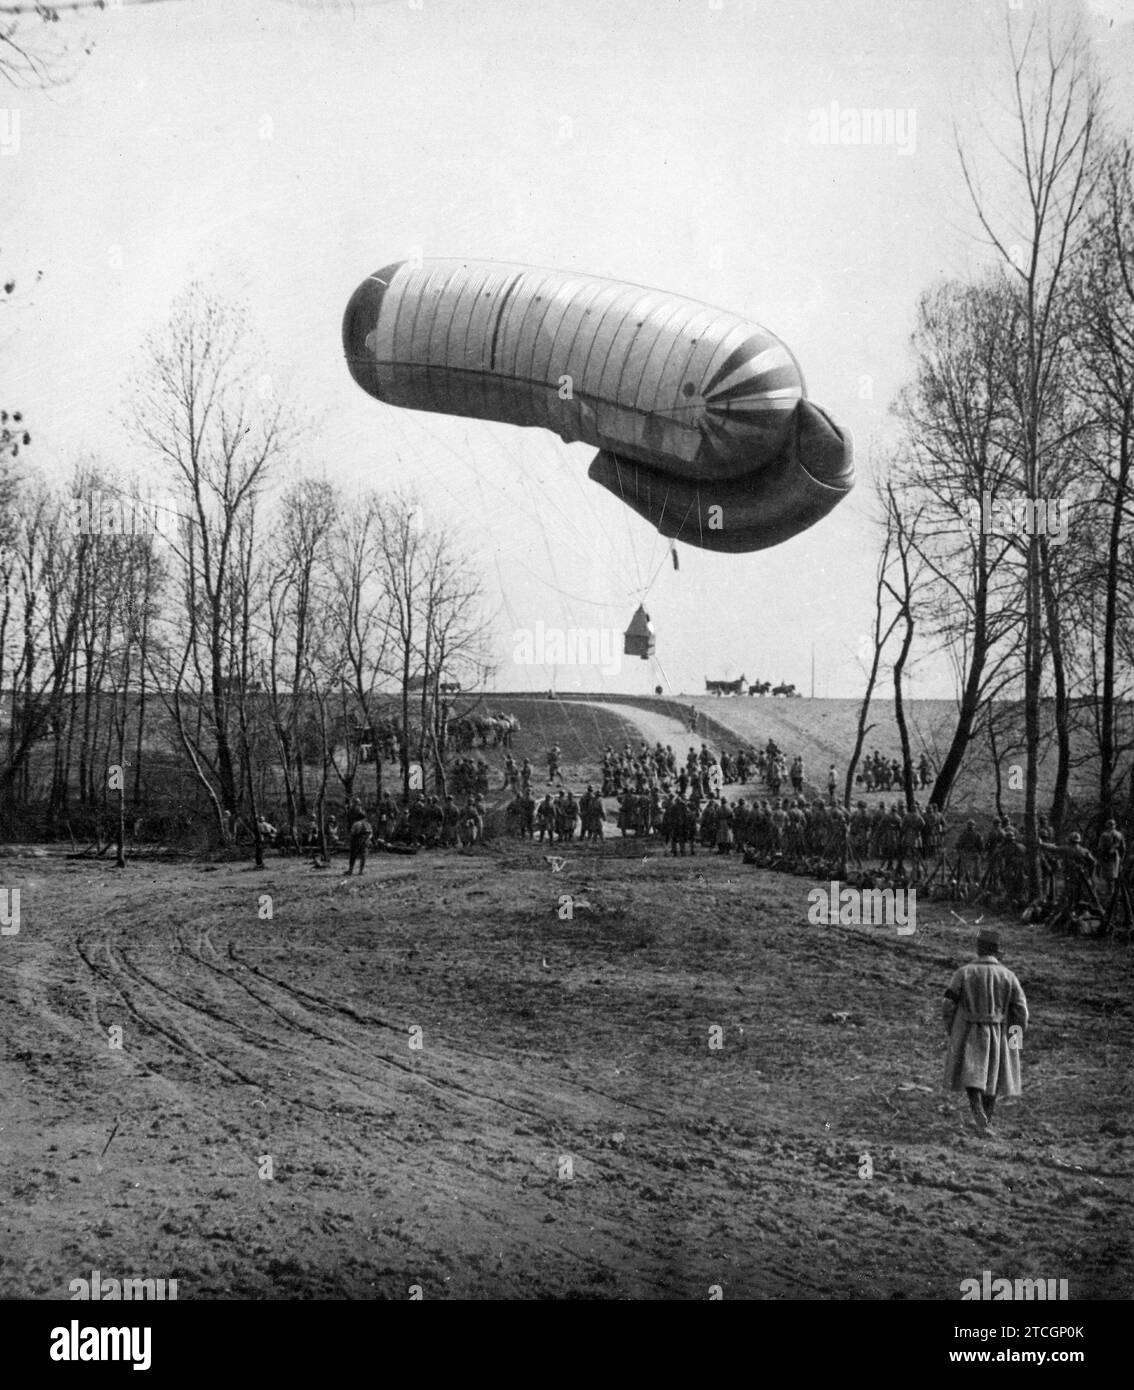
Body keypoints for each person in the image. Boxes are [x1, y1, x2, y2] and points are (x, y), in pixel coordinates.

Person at [942, 927, 1028, 1136]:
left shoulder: (964, 972)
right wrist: (1014, 1040)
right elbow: (1021, 1011)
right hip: (998, 1031)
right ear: (997, 951)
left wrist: (953, 1028)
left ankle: (979, 1114)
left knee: (972, 1073)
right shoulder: (1009, 976)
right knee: (992, 1077)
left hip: (969, 1030)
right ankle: (985, 1119)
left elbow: (947, 1004)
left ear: (979, 949)